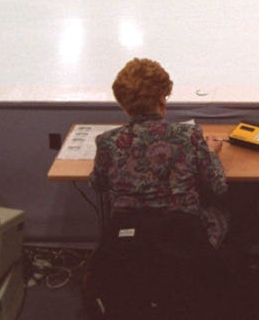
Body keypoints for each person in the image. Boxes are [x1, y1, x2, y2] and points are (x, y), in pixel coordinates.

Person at [91, 58, 229, 247]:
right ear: (162, 100)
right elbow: (218, 186)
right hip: (182, 236)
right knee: (222, 214)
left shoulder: (107, 141)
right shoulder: (188, 135)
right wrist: (211, 153)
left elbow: (97, 184)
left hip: (129, 238)